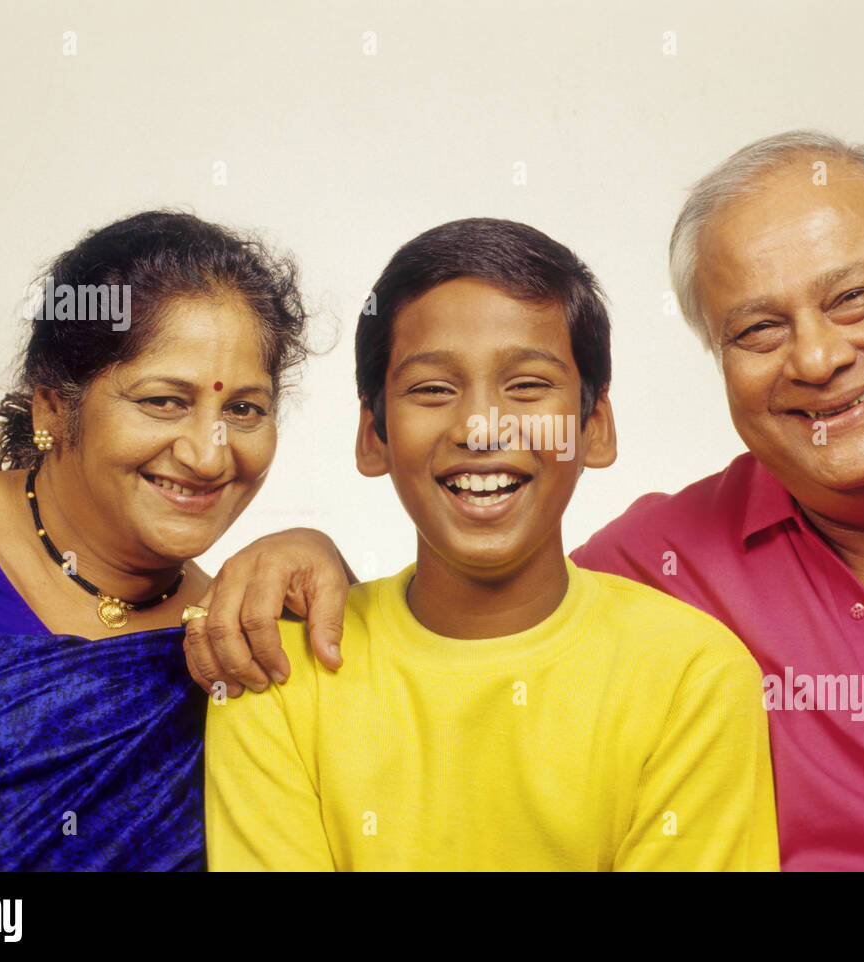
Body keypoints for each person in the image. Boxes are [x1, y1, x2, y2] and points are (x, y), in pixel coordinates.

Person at [189, 131, 864, 871]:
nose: (819, 357)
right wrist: (302, 551)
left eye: (853, 298)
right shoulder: (665, 565)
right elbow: (472, 614)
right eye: (757, 328)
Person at [203, 218, 778, 871]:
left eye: (528, 386)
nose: (481, 426)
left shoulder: (691, 679)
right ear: (374, 436)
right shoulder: (277, 675)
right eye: (433, 390)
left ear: (594, 427)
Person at [0, 210, 309, 870]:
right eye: (164, 400)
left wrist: (323, 568)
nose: (209, 456)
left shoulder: (244, 635)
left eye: (243, 409)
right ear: (53, 406)